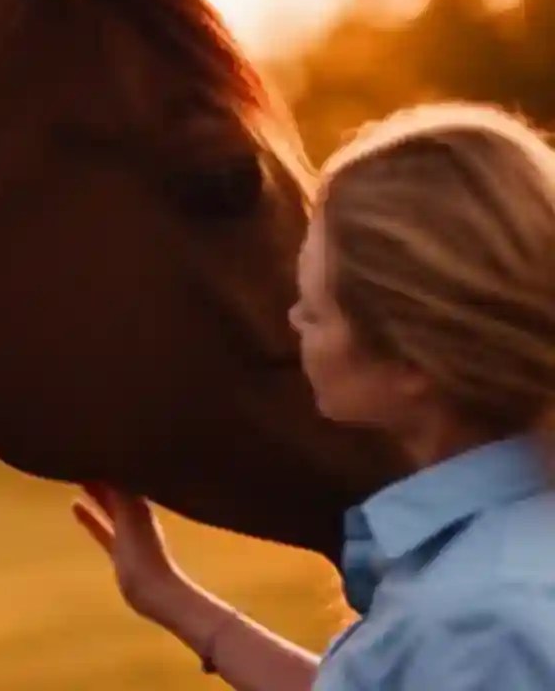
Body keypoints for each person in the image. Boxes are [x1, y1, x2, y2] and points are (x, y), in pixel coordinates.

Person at [73, 102, 555, 690]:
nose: (294, 319)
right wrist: (168, 596)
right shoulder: (500, 563)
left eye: (316, 308)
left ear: (411, 363)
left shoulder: (481, 624)